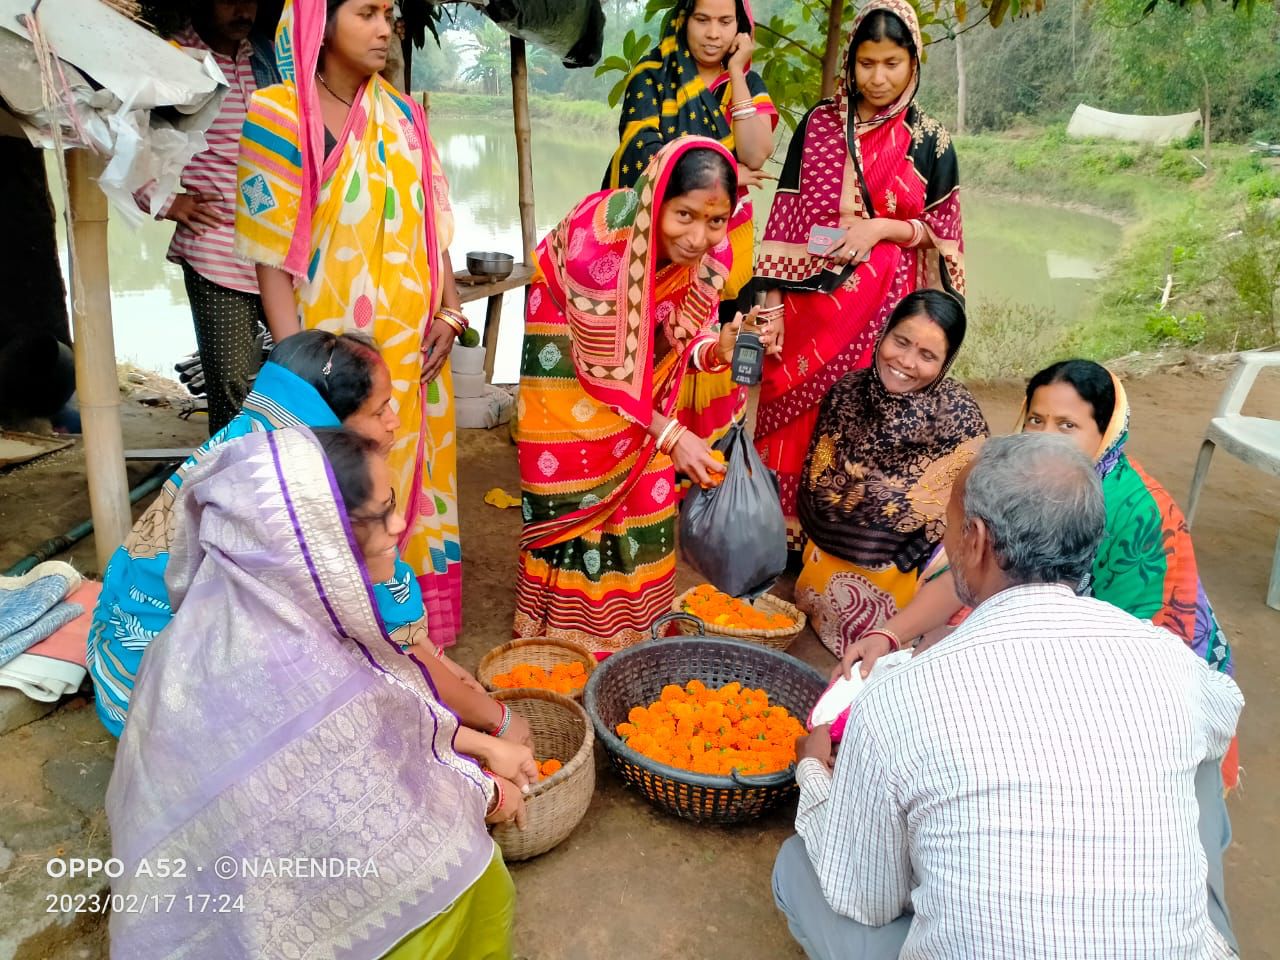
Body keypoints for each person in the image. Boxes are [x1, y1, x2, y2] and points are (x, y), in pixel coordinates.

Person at [773, 433, 1243, 960]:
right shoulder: (1170, 662)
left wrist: (813, 772)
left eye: (950, 526)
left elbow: (865, 900)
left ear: (975, 540)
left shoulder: (899, 695)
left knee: (797, 867)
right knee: (1198, 754)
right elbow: (1225, 708)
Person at [107, 427, 530, 960]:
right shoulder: (285, 658)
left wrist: (483, 745)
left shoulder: (240, 608)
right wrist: (488, 791)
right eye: (381, 514)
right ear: (320, 533)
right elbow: (383, 806)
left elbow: (382, 714)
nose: (399, 525)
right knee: (466, 871)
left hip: (226, 879)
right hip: (268, 891)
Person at [88, 331, 521, 749]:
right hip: (164, 702)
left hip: (126, 662)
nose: (395, 421)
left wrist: (437, 660)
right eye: (379, 411)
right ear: (330, 420)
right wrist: (496, 720)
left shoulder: (254, 438)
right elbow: (383, 641)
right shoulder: (295, 500)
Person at [837, 359, 1239, 784]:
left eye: (1067, 425)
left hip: (1113, 677)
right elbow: (968, 569)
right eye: (1036, 419)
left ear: (1106, 432)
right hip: (1044, 623)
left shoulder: (1142, 512)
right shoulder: (1018, 481)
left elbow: (1142, 650)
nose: (1046, 437)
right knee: (942, 639)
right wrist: (889, 634)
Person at [235, 0, 466, 649]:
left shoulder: (405, 117)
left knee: (405, 479)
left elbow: (433, 228)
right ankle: (337, 639)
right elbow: (271, 259)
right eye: (366, 12)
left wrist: (450, 309)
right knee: (334, 484)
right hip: (332, 359)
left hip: (412, 356)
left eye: (388, 13)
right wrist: (297, 372)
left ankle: (407, 631)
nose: (385, 28)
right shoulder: (279, 116)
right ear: (321, 18)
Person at [515, 137, 778, 653]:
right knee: (575, 484)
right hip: (569, 362)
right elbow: (603, 371)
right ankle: (567, 644)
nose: (699, 237)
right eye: (684, 216)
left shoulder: (712, 255)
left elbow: (673, 339)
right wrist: (673, 435)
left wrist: (718, 349)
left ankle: (636, 640)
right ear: (656, 200)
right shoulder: (598, 249)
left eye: (716, 220)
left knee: (648, 494)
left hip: (638, 382)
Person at [753, 0, 963, 549]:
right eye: (867, 63)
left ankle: (836, 536)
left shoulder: (930, 139)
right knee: (789, 419)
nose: (878, 77)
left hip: (881, 309)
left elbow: (943, 235)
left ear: (913, 63)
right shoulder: (819, 124)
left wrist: (882, 229)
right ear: (851, 61)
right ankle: (772, 531)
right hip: (806, 306)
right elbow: (785, 218)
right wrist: (771, 308)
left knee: (857, 418)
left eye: (892, 63)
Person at [794, 290, 987, 658]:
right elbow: (819, 475)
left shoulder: (958, 418)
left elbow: (963, 511)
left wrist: (888, 514)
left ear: (946, 363)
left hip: (901, 575)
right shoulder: (847, 393)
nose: (906, 362)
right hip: (822, 574)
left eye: (927, 355)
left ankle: (891, 638)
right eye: (901, 342)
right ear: (883, 333)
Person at [134, 0, 281, 434]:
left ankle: (289, 462)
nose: (242, 10)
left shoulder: (268, 56)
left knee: (302, 369)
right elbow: (126, 138)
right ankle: (234, 471)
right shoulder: (174, 60)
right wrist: (166, 201)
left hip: (280, 246)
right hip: (216, 249)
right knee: (232, 383)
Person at [603, 0, 778, 300]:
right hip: (660, 239)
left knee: (725, 327)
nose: (713, 33)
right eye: (702, 19)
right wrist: (727, 174)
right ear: (684, 19)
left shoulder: (747, 83)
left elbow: (755, 154)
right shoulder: (652, 75)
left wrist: (737, 72)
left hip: (724, 238)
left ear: (740, 27)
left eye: (725, 22)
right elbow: (641, 151)